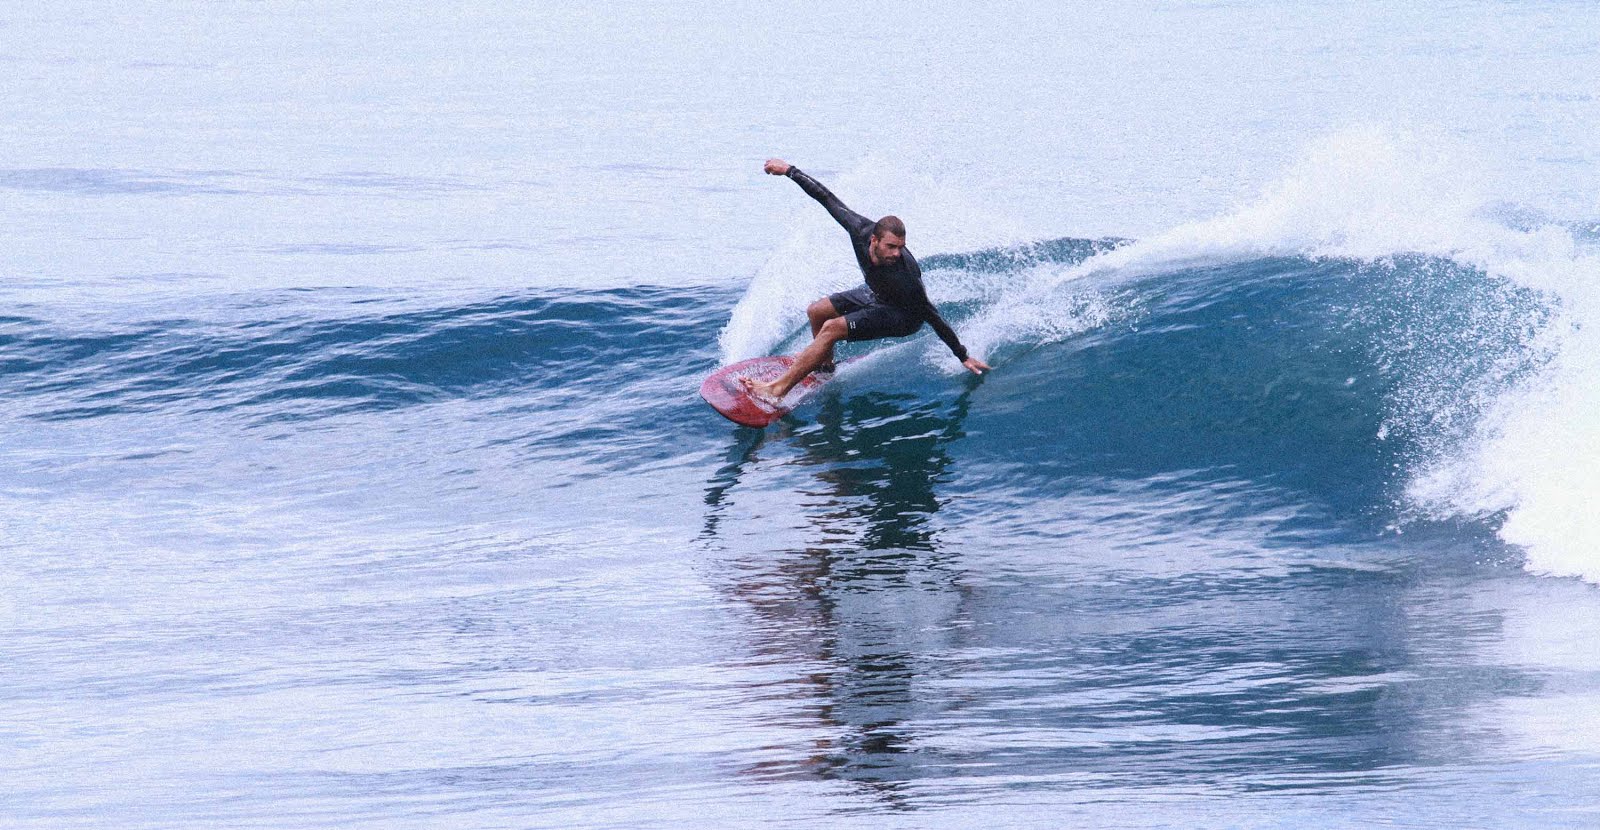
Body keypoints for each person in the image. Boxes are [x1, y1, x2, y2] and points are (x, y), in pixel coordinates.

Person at [742, 158, 990, 405]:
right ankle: (824, 366)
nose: (896, 253)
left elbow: (931, 314)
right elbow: (826, 198)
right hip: (877, 294)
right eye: (891, 246)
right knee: (816, 311)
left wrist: (963, 355)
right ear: (874, 240)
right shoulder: (858, 229)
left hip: (903, 316)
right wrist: (789, 171)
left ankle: (776, 390)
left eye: (901, 248)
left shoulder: (906, 275)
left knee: (831, 329)